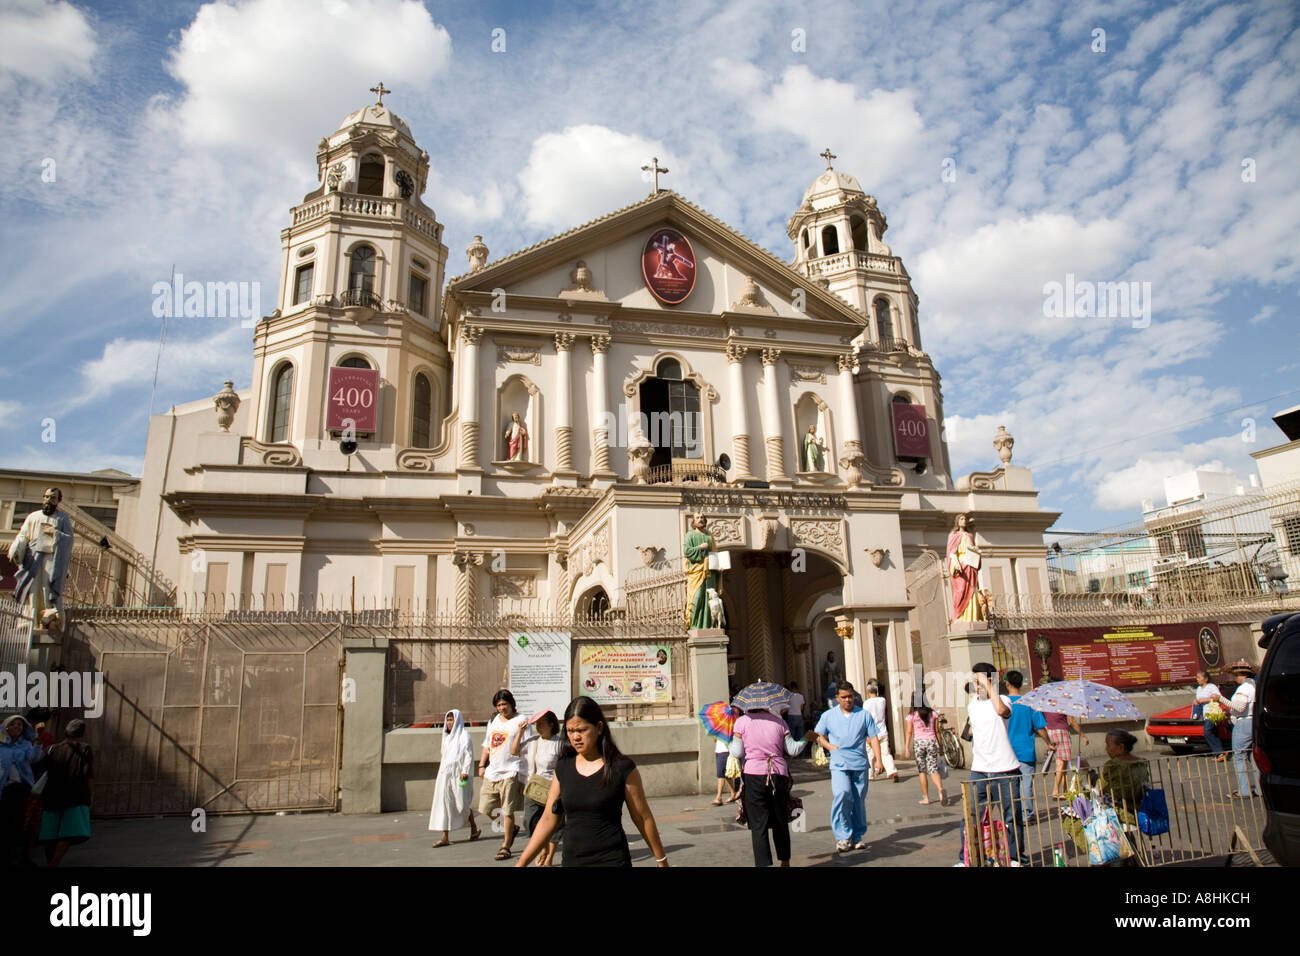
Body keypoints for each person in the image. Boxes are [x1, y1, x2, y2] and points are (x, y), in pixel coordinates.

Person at [515, 696, 669, 867]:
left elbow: (642, 817)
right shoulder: (563, 768)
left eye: (581, 730)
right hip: (573, 860)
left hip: (612, 859)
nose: (575, 737)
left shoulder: (621, 767)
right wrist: (521, 863)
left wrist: (661, 860)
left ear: (599, 727)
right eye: (570, 731)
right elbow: (548, 819)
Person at [959, 663, 1025, 866]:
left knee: (1011, 815)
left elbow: (1002, 711)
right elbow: (969, 732)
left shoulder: (1003, 699)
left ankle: (1014, 857)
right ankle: (967, 857)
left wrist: (988, 684)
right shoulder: (972, 704)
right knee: (970, 815)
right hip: (979, 770)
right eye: (974, 680)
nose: (975, 684)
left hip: (1004, 769)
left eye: (978, 680)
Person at [728, 702, 806, 867]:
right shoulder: (779, 722)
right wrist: (807, 738)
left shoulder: (742, 722)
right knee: (780, 819)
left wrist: (730, 742)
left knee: (758, 823)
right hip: (778, 774)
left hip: (753, 774)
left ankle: (763, 864)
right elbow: (792, 750)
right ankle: (785, 860)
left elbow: (737, 752)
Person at [809, 682, 883, 852]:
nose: (848, 700)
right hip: (839, 763)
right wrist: (828, 746)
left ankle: (857, 835)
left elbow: (873, 738)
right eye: (844, 697)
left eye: (850, 696)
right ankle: (842, 836)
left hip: (859, 764)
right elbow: (817, 734)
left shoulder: (864, 715)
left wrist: (879, 760)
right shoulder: (828, 716)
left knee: (858, 801)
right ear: (837, 698)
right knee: (842, 795)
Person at [1062, 730, 1149, 859]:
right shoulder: (1141, 762)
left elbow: (1099, 788)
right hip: (1138, 807)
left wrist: (1087, 771)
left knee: (1070, 816)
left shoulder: (1113, 765)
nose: (1106, 749)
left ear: (1121, 747)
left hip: (1118, 812)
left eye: (1109, 745)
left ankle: (1100, 854)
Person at [7, 487, 74, 632]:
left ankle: (48, 621)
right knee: (31, 589)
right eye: (46, 497)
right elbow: (23, 535)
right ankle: (28, 622)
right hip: (32, 559)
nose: (48, 500)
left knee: (47, 589)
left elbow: (69, 540)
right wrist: (16, 547)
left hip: (52, 561)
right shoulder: (33, 517)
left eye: (53, 498)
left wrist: (55, 533)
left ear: (58, 501)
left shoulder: (63, 518)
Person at [477, 689, 529, 861]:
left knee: (507, 810)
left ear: (511, 703)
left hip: (511, 770)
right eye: (498, 705)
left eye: (504, 704)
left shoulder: (521, 720)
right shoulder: (493, 720)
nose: (501, 708)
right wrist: (482, 764)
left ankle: (506, 845)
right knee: (486, 807)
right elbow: (487, 744)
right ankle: (511, 828)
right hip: (493, 771)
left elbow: (527, 746)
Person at [37, 718, 93, 866]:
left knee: (51, 834)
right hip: (75, 795)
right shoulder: (85, 749)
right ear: (81, 733)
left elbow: (42, 769)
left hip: (52, 795)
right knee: (69, 833)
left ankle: (51, 862)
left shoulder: (52, 748)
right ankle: (53, 864)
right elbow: (87, 775)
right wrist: (90, 795)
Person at [513, 709, 564, 866]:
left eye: (541, 724)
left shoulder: (559, 744)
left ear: (551, 724)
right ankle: (542, 846)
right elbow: (514, 751)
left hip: (553, 789)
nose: (539, 727)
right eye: (536, 724)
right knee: (530, 821)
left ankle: (548, 858)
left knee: (556, 825)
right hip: (534, 788)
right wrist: (520, 733)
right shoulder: (533, 742)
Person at [429, 709, 481, 847]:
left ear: (457, 720)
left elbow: (468, 755)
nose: (449, 723)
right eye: (448, 720)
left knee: (462, 803)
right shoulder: (446, 737)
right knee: (444, 804)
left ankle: (474, 828)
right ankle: (445, 836)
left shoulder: (464, 736)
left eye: (451, 720)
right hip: (445, 774)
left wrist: (464, 771)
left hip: (460, 776)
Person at [1208, 660, 1260, 798]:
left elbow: (1240, 708)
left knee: (1239, 756)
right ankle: (1260, 789)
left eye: (1235, 675)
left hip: (1243, 723)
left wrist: (1221, 699)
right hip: (1253, 721)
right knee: (1251, 756)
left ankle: (1244, 790)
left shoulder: (1244, 688)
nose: (1234, 678)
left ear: (1240, 675)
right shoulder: (1254, 686)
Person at [1004, 670, 1049, 823]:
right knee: (1026, 784)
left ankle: (1012, 814)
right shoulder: (1029, 703)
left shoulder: (1003, 704)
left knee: (1010, 785)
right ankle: (1026, 814)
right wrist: (1049, 743)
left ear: (1007, 684)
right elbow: (1041, 727)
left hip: (1007, 751)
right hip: (1025, 750)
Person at [0, 715, 43, 865]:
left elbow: (33, 757)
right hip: (3, 790)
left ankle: (13, 857)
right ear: (6, 727)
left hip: (19, 790)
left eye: (20, 725)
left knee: (16, 825)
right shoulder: (1, 745)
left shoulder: (25, 744)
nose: (17, 727)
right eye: (14, 724)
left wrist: (37, 743)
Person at [903, 702, 945, 806]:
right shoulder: (933, 713)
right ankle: (940, 790)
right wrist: (940, 746)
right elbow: (937, 731)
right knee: (933, 769)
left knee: (922, 771)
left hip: (919, 744)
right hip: (931, 742)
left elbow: (909, 732)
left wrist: (907, 748)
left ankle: (926, 798)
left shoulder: (911, 715)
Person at [946, 513, 985, 623]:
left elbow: (973, 550)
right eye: (961, 519)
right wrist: (955, 561)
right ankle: (960, 615)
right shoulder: (954, 535)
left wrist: (975, 550)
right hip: (960, 565)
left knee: (972, 589)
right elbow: (951, 552)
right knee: (961, 589)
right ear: (957, 522)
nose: (964, 521)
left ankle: (972, 617)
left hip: (970, 564)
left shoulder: (970, 536)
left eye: (965, 519)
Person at [683, 512, 719, 629]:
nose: (700, 519)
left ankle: (708, 626)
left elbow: (714, 553)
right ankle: (694, 626)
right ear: (693, 521)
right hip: (696, 572)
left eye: (702, 517)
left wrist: (719, 565)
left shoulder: (709, 536)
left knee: (710, 600)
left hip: (709, 572)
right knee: (696, 598)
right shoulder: (690, 535)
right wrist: (700, 548)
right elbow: (687, 551)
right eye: (697, 518)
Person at [863, 680, 898, 782]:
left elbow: (865, 719)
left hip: (871, 732)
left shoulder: (866, 703)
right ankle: (892, 771)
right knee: (885, 753)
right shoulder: (882, 700)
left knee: (870, 754)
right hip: (882, 730)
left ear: (868, 692)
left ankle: (870, 774)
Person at [1193, 669, 1226, 760]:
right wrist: (1196, 701)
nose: (1197, 679)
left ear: (1206, 679)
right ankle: (1220, 754)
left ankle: (1219, 752)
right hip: (1205, 713)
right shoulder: (1199, 689)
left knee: (1207, 732)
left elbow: (1218, 697)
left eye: (1199, 677)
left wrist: (1205, 700)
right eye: (1197, 678)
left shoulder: (1211, 687)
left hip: (1212, 713)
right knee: (1213, 733)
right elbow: (1198, 699)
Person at [713, 734, 740, 805]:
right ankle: (733, 793)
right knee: (726, 774)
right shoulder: (718, 729)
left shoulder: (727, 729)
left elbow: (730, 740)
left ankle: (719, 797)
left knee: (720, 774)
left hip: (725, 751)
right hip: (718, 751)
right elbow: (715, 740)